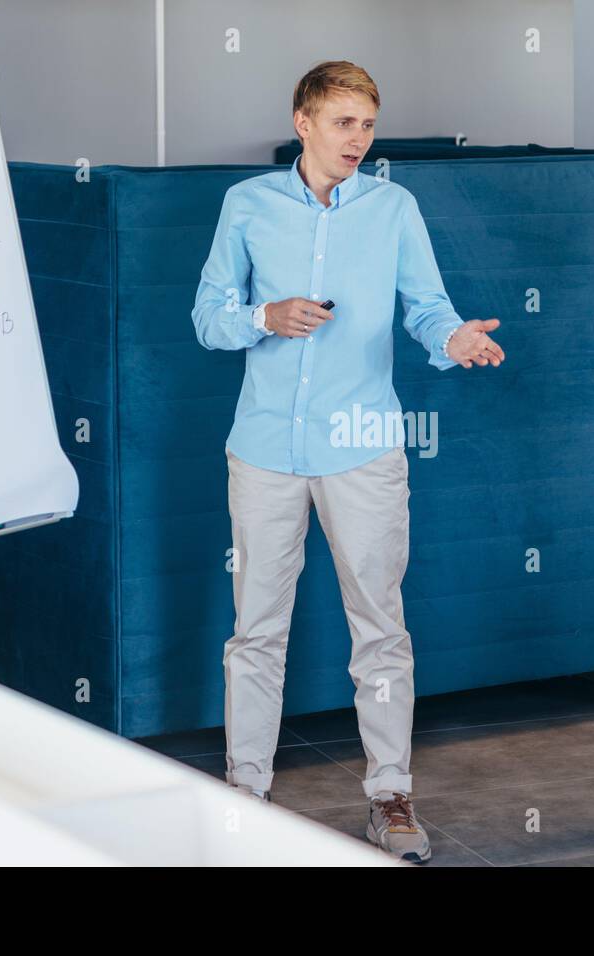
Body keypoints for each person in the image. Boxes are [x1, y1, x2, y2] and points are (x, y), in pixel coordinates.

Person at [190, 60, 504, 864]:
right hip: (263, 448)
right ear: (303, 123)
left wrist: (454, 339)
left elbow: (427, 307)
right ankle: (244, 787)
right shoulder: (247, 206)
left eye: (366, 124)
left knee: (380, 628)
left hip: (363, 449)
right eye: (342, 123)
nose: (357, 139)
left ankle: (391, 795)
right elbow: (208, 317)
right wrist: (266, 315)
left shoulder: (394, 207)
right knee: (255, 630)